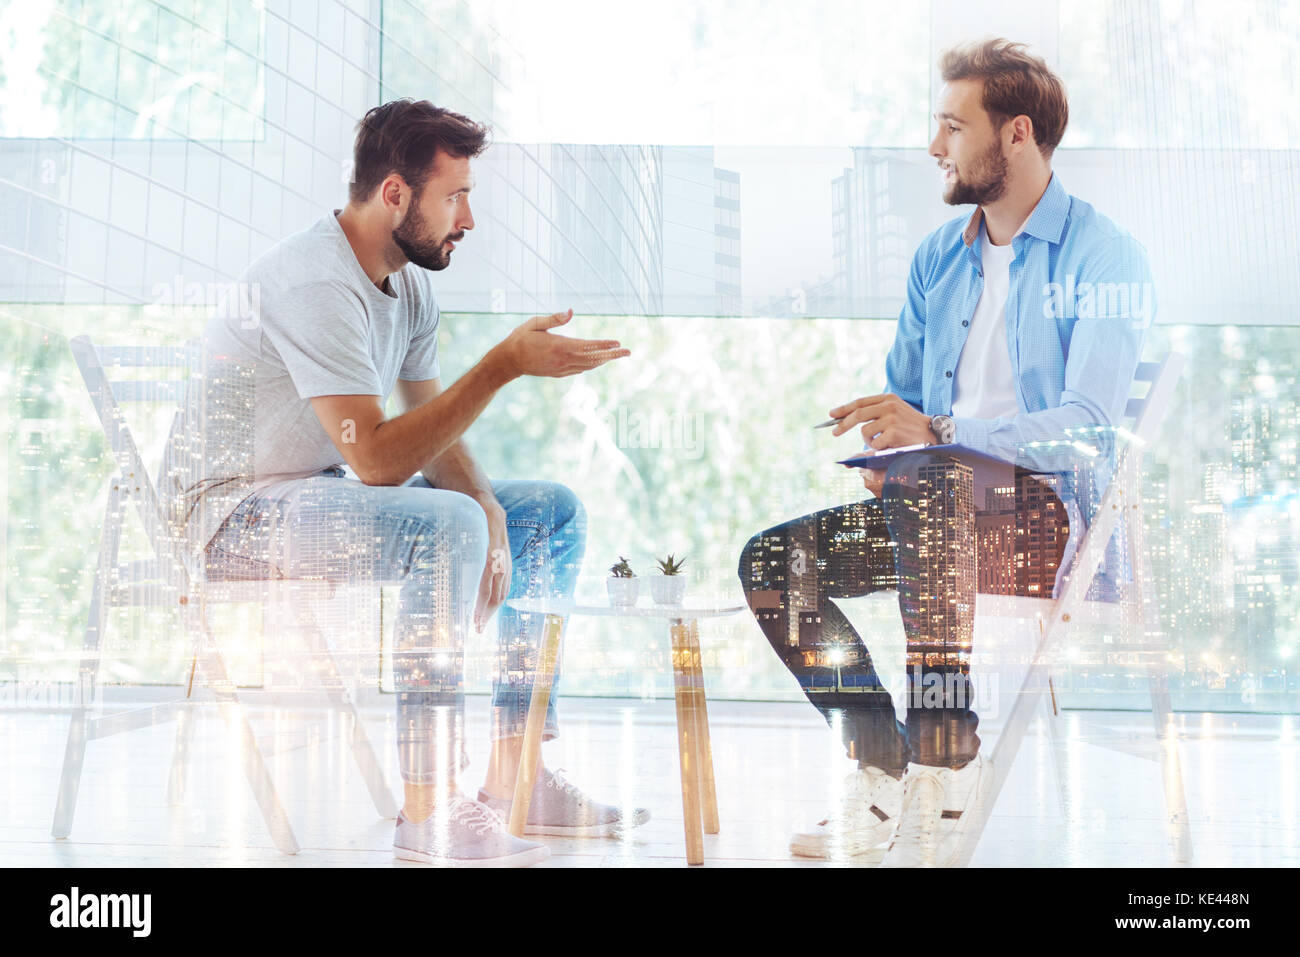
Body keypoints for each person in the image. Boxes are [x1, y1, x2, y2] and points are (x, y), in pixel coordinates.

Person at [161, 99, 643, 867]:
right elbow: (381, 462)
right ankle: (429, 806)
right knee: (442, 524)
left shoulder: (410, 286)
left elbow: (431, 430)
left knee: (546, 512)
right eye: (455, 196)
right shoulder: (313, 281)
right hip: (229, 516)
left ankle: (517, 773)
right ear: (395, 194)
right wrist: (500, 367)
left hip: (313, 490)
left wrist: (488, 503)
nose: (469, 219)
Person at [737, 38, 1153, 867]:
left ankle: (942, 756)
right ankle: (886, 762)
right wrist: (895, 435)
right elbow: (913, 407)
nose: (935, 147)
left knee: (932, 482)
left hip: (1045, 526)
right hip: (936, 514)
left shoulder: (1105, 258)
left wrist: (937, 439)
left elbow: (1087, 428)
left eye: (952, 126)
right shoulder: (940, 258)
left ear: (1016, 135)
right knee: (776, 562)